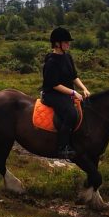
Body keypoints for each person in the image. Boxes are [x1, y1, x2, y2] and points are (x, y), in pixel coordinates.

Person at [41, 26, 89, 159]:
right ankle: (62, 147)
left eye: (68, 42)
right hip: (52, 94)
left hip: (66, 93)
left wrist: (84, 89)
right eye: (66, 42)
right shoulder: (51, 62)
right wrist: (73, 93)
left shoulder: (67, 57)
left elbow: (74, 76)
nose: (68, 44)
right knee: (71, 113)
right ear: (57, 43)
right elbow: (54, 85)